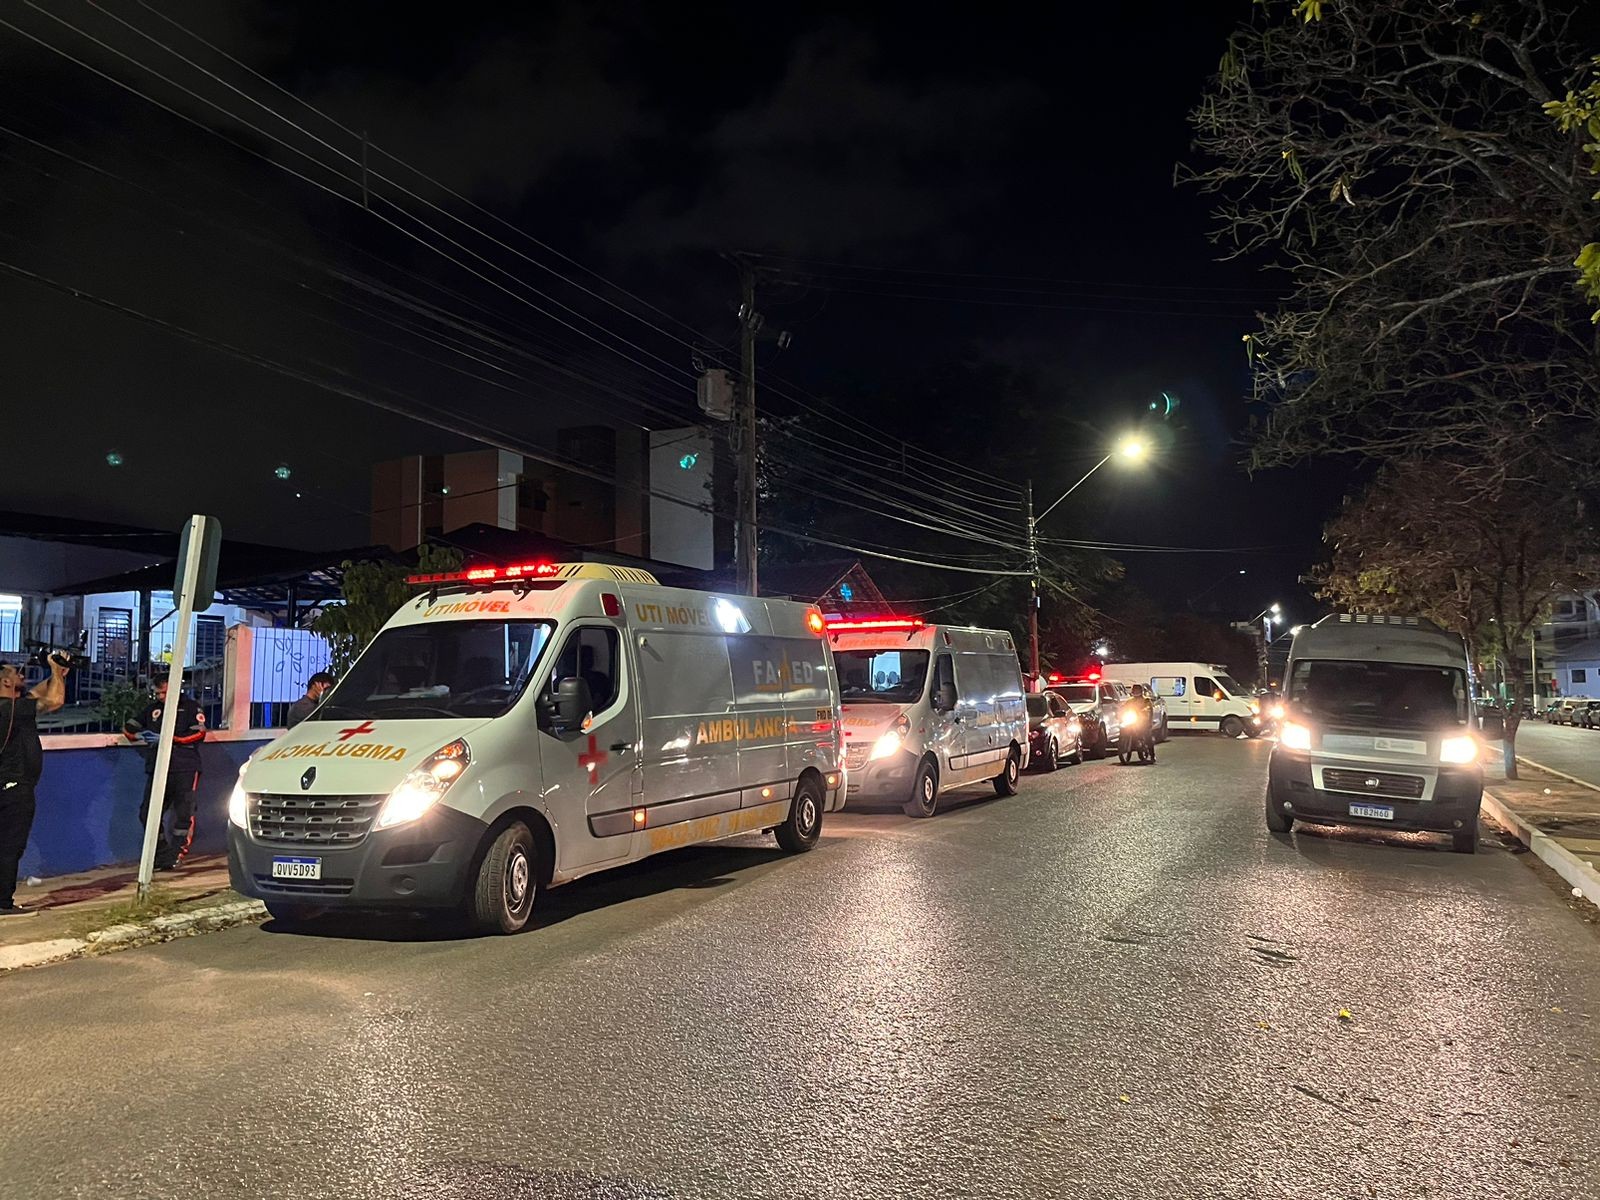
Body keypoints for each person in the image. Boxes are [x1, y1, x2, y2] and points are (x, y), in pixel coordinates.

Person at [0, 655, 68, 914]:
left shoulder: (12, 709)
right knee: (9, 848)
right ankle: (3, 903)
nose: (22, 676)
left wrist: (56, 674)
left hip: (8, 786)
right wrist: (55, 673)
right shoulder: (10, 709)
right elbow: (55, 701)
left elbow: (38, 693)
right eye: (16, 673)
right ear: (6, 681)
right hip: (14, 789)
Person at [124, 676, 208, 871]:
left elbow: (199, 733)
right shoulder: (153, 709)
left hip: (184, 766)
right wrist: (137, 736)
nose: (161, 696)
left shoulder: (190, 707)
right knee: (147, 813)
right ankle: (161, 852)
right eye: (158, 693)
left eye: (164, 692)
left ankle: (176, 854)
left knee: (184, 813)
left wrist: (170, 739)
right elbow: (129, 728)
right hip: (158, 766)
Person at [1125, 683, 1157, 762]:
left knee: (1148, 737)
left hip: (1143, 722)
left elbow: (1149, 709)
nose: (1136, 692)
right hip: (1132, 721)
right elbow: (1124, 708)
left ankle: (1152, 755)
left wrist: (1148, 719)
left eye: (1137, 690)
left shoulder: (1146, 700)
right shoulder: (1130, 701)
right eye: (1134, 690)